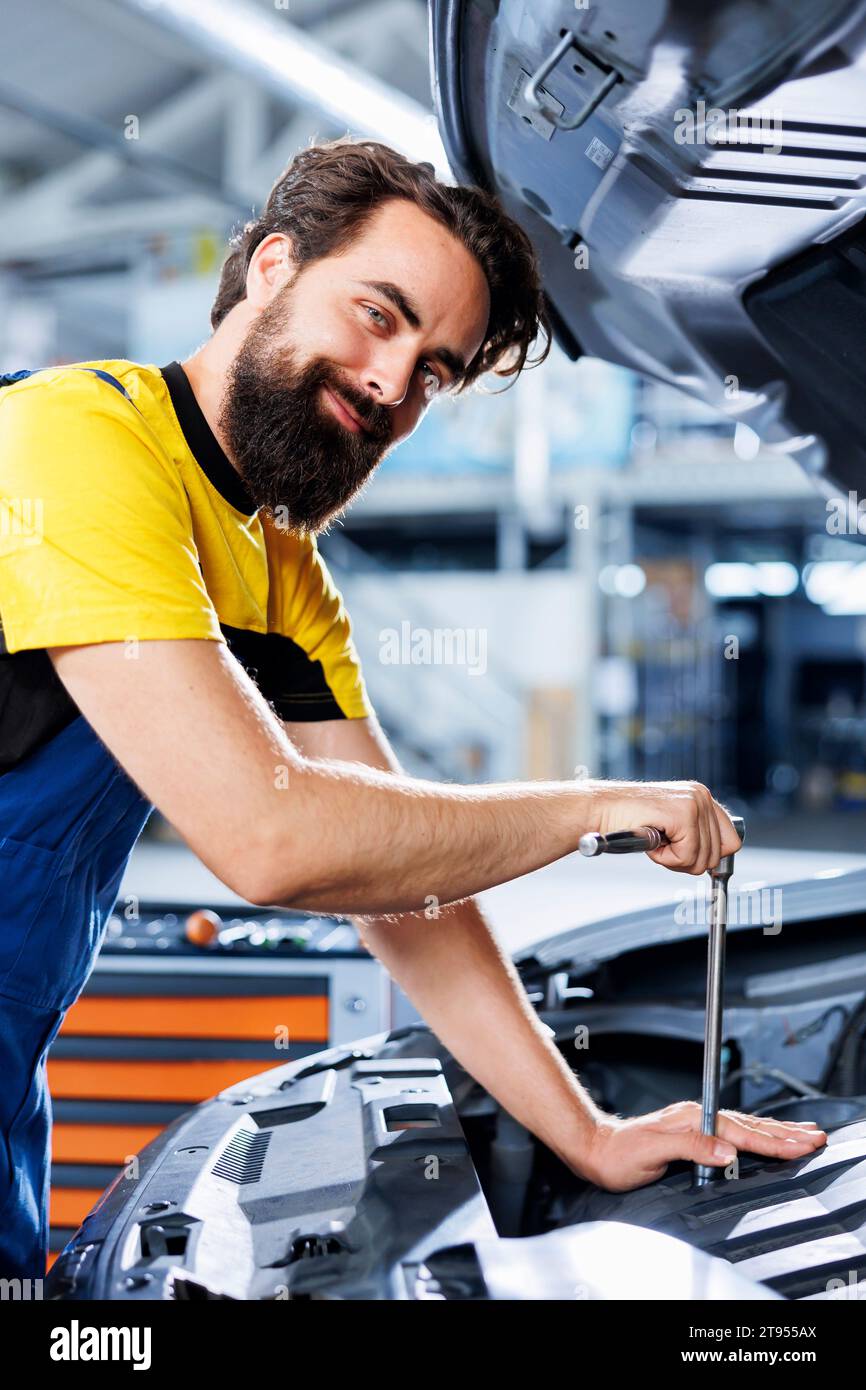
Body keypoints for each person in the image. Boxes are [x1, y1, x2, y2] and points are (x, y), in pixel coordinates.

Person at [0, 138, 824, 1276]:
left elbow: (406, 893)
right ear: (273, 266)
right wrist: (595, 806)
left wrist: (585, 1132)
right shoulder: (71, 440)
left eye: (433, 369)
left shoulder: (282, 579)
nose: (392, 386)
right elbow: (272, 838)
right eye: (377, 315)